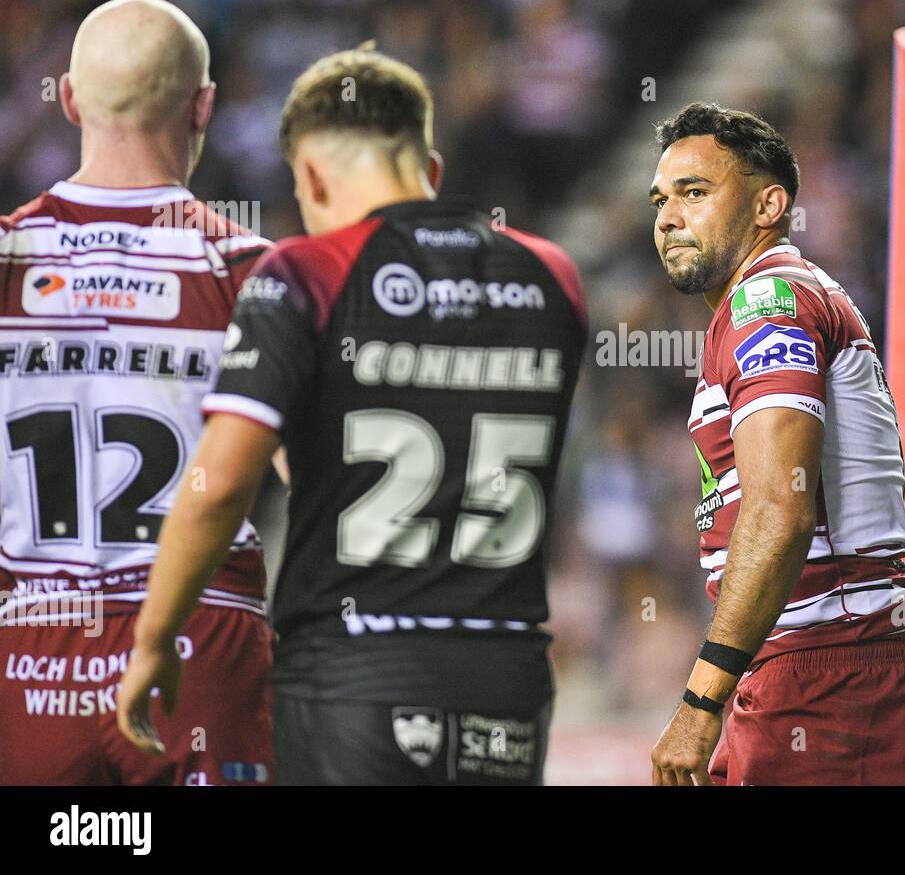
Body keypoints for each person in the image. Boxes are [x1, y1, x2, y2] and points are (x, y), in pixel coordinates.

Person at [117, 46, 587, 785]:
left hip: (351, 679)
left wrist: (153, 636)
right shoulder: (552, 276)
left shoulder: (306, 271)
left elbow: (220, 485)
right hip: (507, 681)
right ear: (430, 169)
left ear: (309, 174)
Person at [646, 102, 905, 785]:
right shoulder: (776, 302)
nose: (668, 217)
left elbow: (778, 513)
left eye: (694, 192)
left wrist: (701, 700)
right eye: (661, 199)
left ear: (768, 204)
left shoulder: (770, 304)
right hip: (835, 672)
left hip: (828, 676)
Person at [0, 0, 274, 785]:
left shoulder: (10, 257)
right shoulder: (252, 271)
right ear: (204, 105)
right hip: (202, 647)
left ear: (71, 97)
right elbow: (325, 486)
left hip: (33, 649)